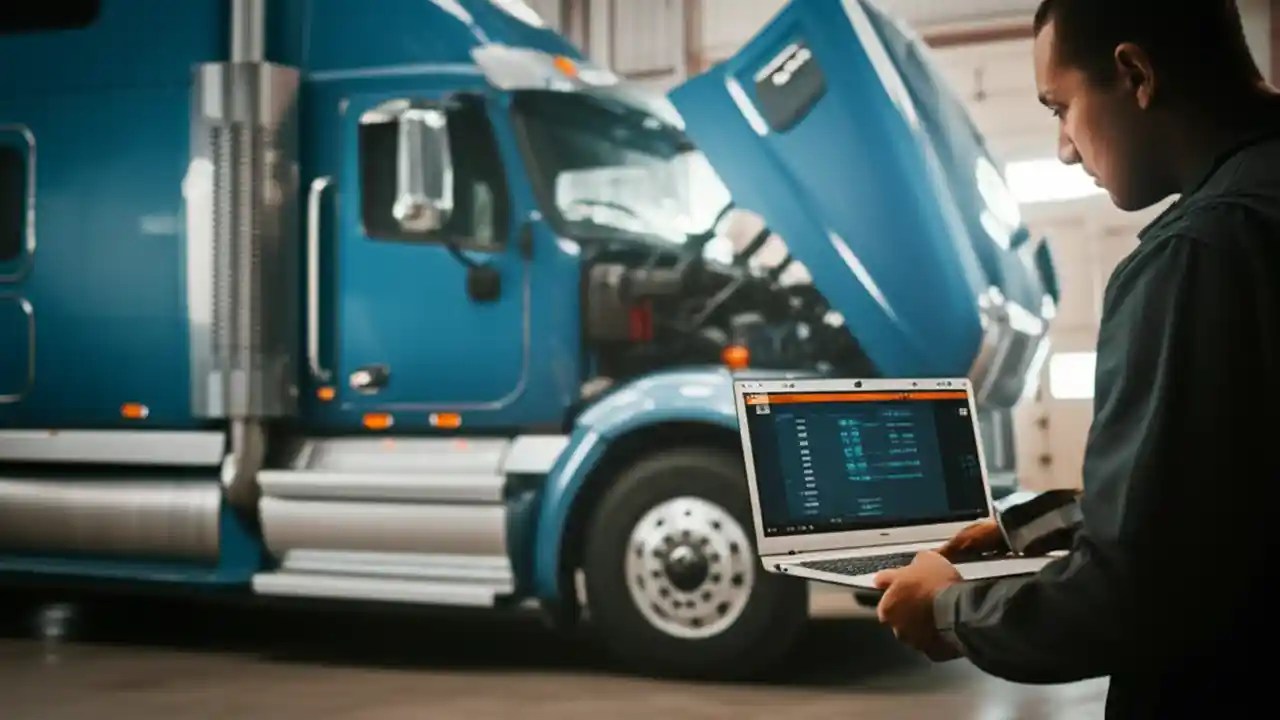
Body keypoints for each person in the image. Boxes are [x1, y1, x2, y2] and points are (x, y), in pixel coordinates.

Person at [871, 0, 1280, 716]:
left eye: (1060, 107)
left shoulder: (1196, 257)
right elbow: (1230, 499)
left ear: (1135, 74)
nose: (1063, 145)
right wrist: (1028, 528)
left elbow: (1135, 592)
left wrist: (947, 611)